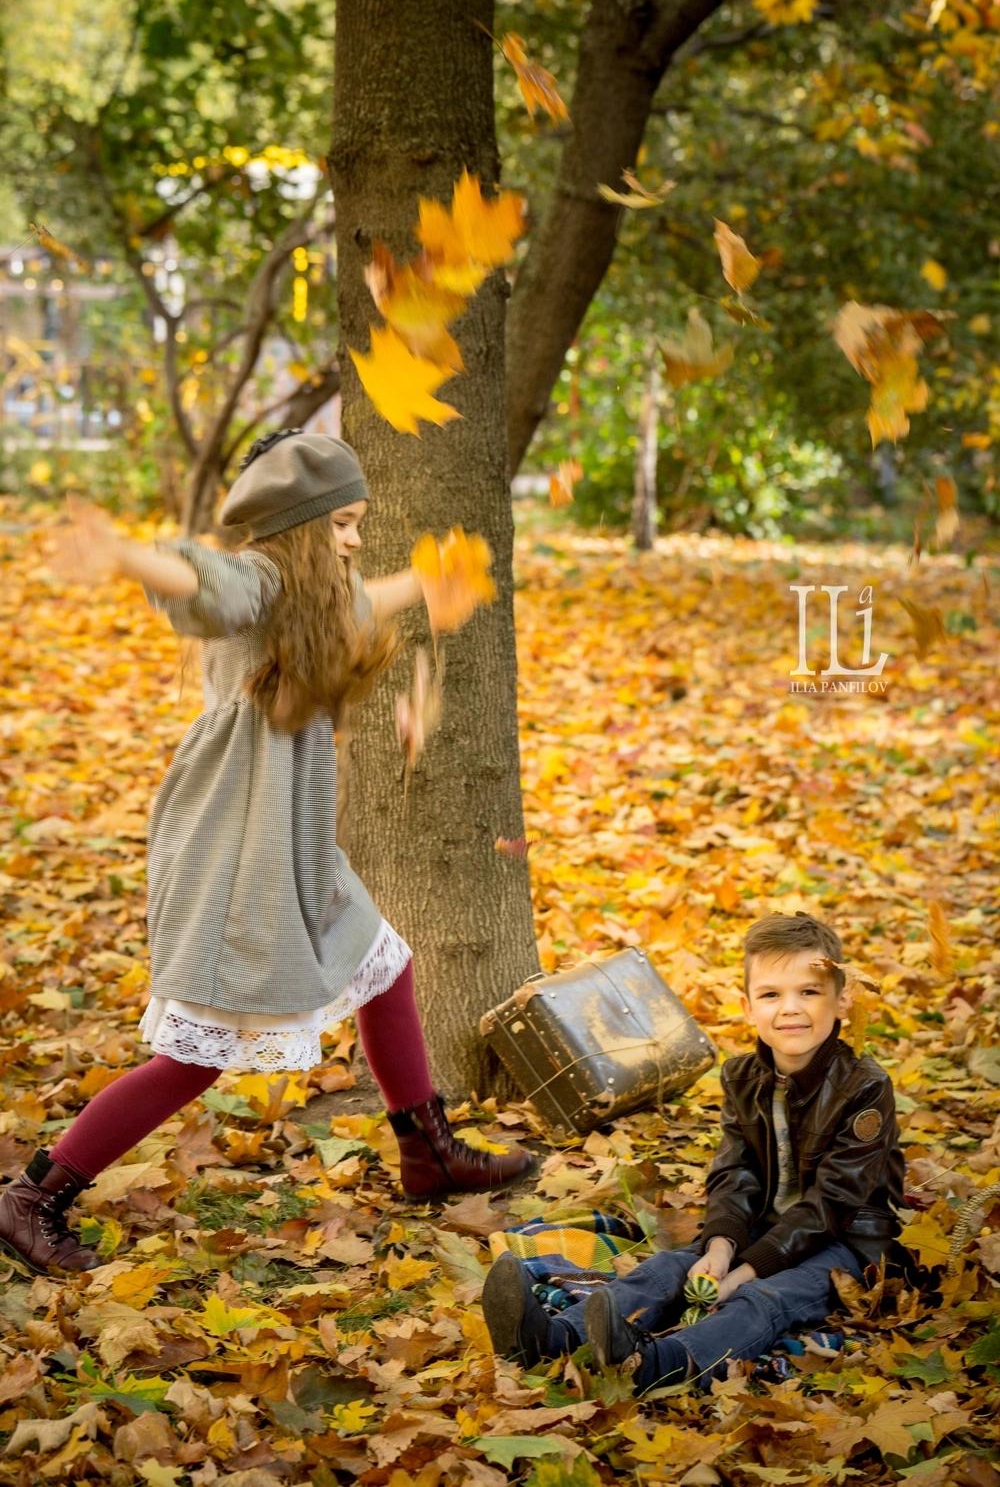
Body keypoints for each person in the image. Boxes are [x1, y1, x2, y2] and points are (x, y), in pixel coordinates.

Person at [0, 429, 533, 1278]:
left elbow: (370, 599)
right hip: (234, 847)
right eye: (344, 524)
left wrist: (430, 583)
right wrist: (127, 554)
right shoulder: (261, 581)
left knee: (384, 962)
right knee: (194, 1058)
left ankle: (427, 1150)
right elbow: (206, 585)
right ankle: (34, 1194)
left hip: (296, 846)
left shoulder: (320, 599)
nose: (357, 540)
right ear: (299, 523)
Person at [482, 911, 905, 1391]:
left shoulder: (865, 1087)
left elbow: (835, 1202)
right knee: (669, 1268)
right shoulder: (743, 1078)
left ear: (842, 999)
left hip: (846, 1245)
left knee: (766, 1297)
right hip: (765, 1231)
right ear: (748, 1007)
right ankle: (553, 1338)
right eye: (771, 994)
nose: (790, 1009)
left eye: (808, 992)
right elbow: (735, 1171)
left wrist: (743, 1271)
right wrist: (722, 1246)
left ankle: (659, 1363)